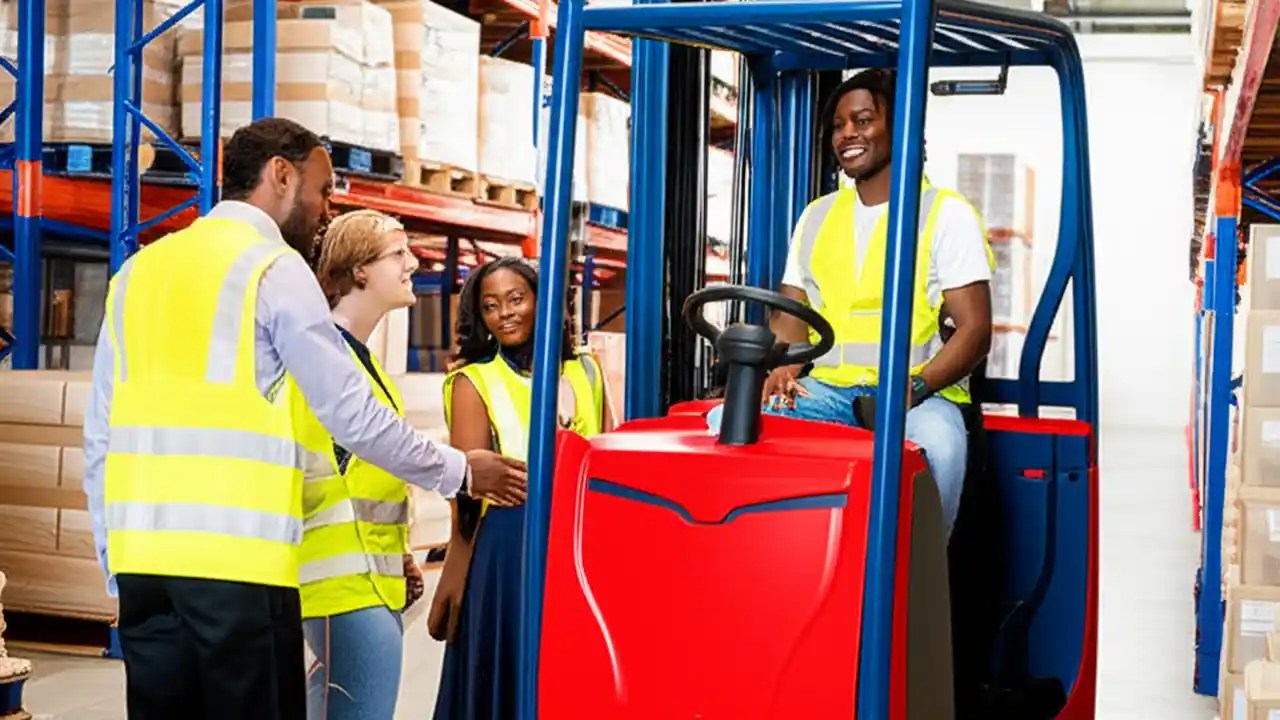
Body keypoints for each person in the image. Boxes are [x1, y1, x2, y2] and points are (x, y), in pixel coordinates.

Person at [81, 117, 527, 720]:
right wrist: (460, 471)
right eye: (321, 190)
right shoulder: (270, 267)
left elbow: (100, 433)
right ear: (281, 175)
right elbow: (350, 413)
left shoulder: (139, 272)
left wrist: (115, 561)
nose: (324, 211)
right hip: (237, 567)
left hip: (144, 566)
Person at [707, 68, 994, 538]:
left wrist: (913, 388)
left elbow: (975, 329)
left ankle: (918, 588)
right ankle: (774, 562)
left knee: (941, 447)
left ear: (899, 128)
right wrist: (779, 368)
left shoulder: (946, 214)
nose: (848, 135)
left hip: (919, 397)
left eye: (862, 120)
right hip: (829, 393)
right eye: (839, 126)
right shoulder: (817, 216)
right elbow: (791, 318)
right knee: (727, 420)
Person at [430, 257, 608, 720]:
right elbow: (467, 495)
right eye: (491, 306)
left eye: (516, 299)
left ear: (540, 301)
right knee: (512, 671)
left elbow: (606, 448)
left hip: (579, 536)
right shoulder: (473, 381)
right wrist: (458, 571)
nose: (505, 313)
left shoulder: (586, 371)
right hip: (509, 547)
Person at [298, 209, 428, 719]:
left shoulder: (362, 365)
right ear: (358, 270)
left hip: (367, 577)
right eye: (399, 253)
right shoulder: (328, 359)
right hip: (342, 582)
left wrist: (401, 554)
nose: (412, 263)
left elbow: (364, 477)